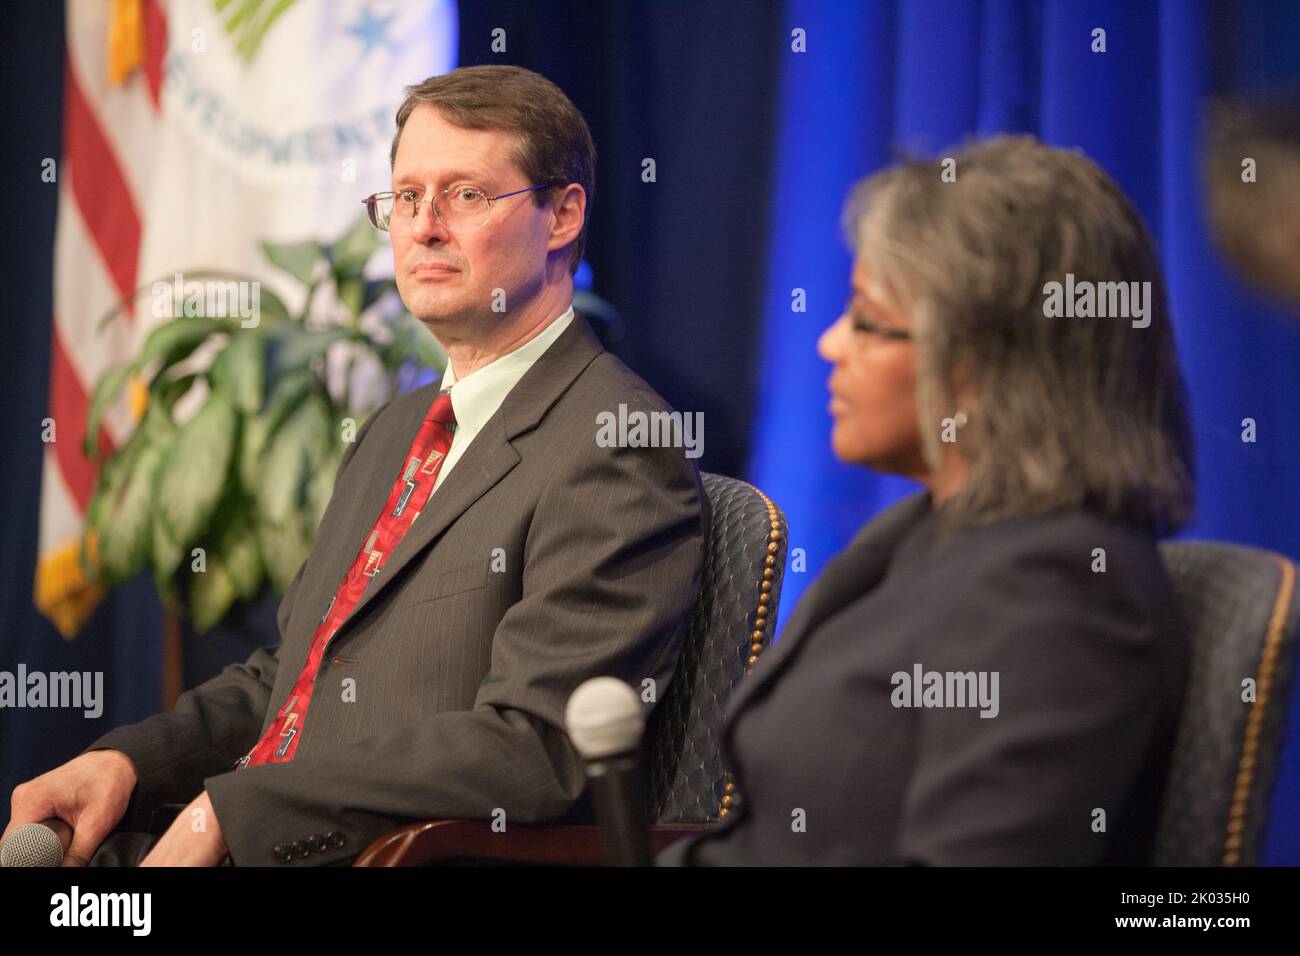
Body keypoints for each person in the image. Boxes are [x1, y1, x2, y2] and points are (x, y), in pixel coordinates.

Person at [5, 65, 704, 867]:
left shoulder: (614, 439)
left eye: (466, 195)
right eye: (406, 197)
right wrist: (129, 763)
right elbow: (289, 676)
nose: (424, 227)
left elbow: (533, 746)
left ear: (563, 215)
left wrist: (227, 816)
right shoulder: (395, 428)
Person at [660, 135, 1194, 865]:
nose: (828, 344)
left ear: (985, 362)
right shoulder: (927, 534)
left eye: (865, 320)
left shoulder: (1062, 597)